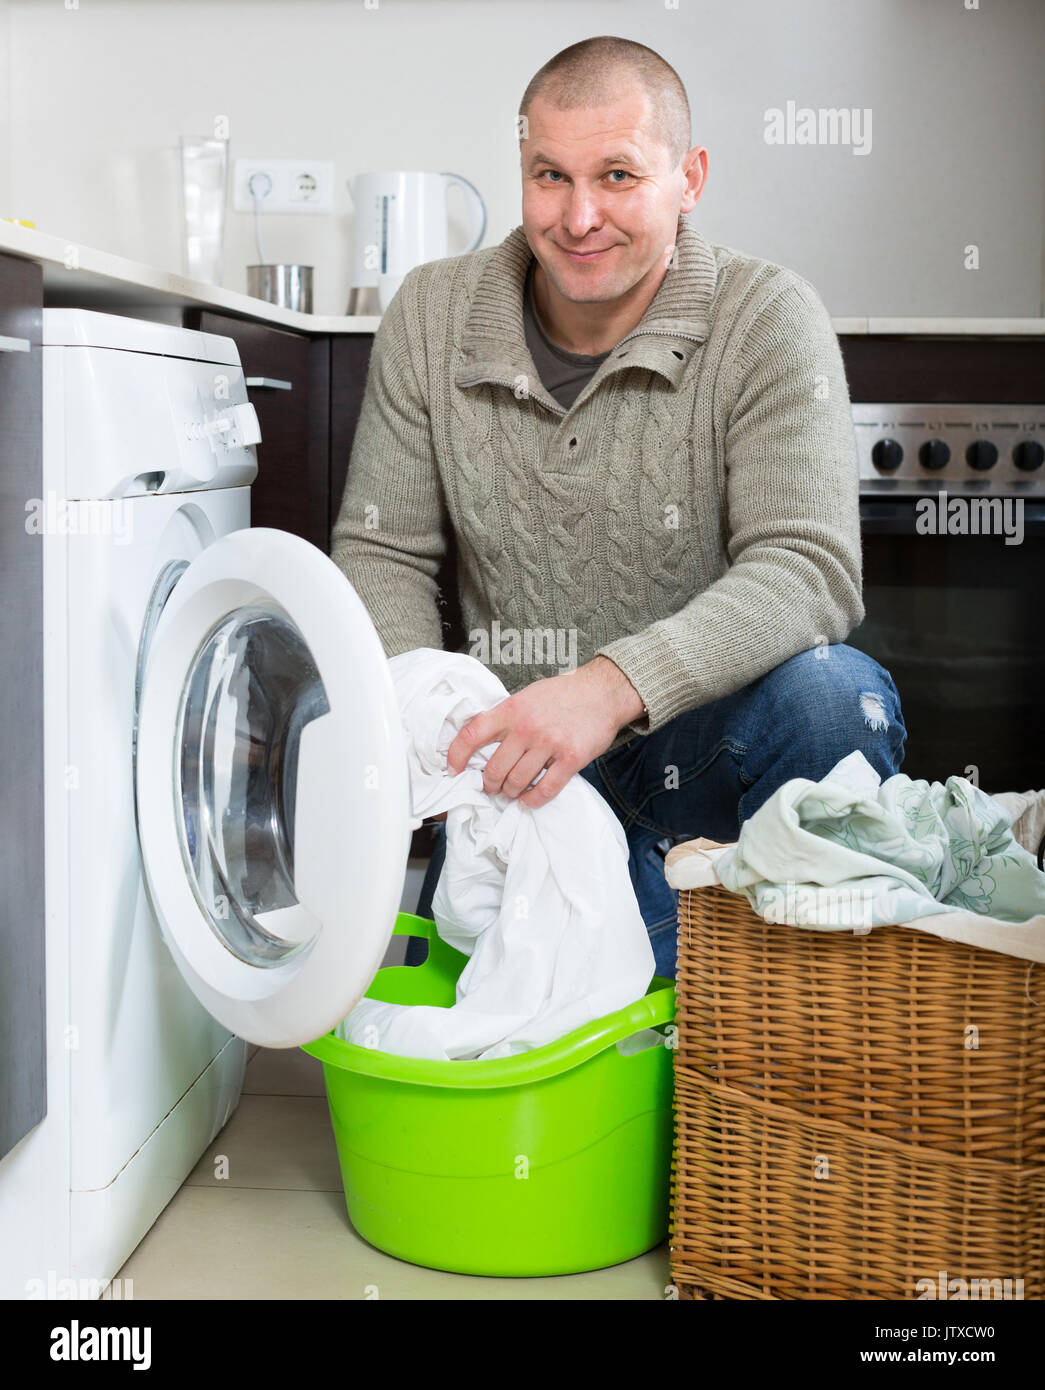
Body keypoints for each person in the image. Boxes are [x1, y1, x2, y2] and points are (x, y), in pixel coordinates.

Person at [331, 35, 906, 978]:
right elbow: (382, 554)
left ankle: (795, 1004)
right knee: (522, 1023)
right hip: (520, 767)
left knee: (833, 692)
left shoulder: (767, 316)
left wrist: (606, 689)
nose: (579, 215)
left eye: (617, 176)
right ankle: (680, 973)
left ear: (690, 179)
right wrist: (434, 720)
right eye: (549, 175)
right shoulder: (430, 315)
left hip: (712, 744)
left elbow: (808, 568)